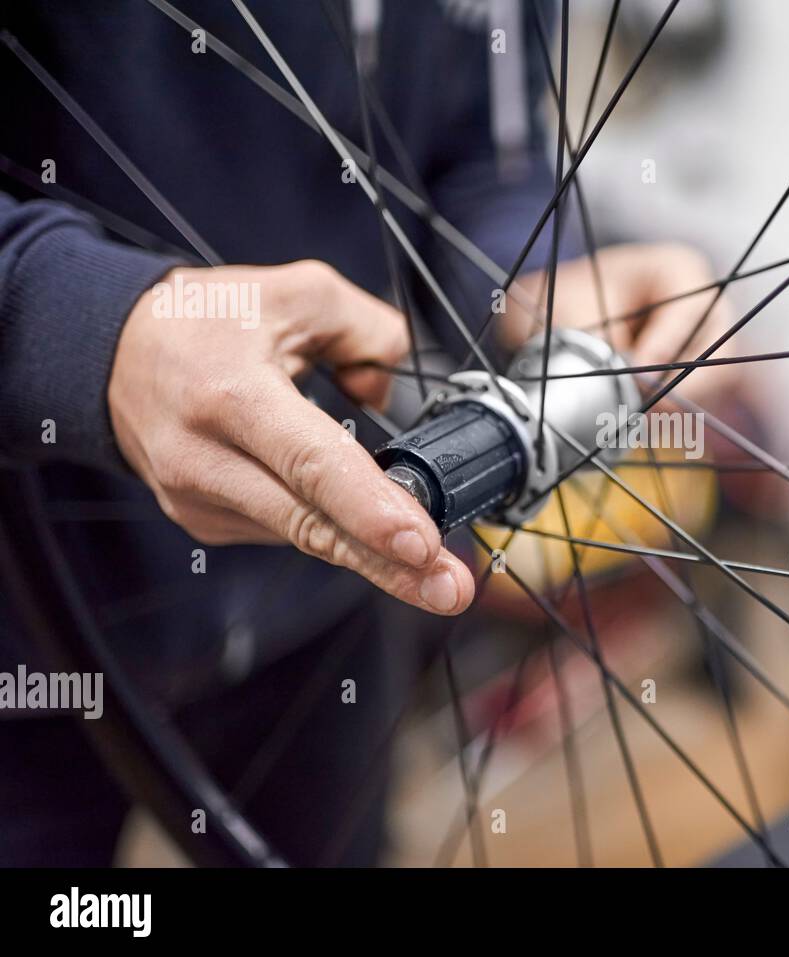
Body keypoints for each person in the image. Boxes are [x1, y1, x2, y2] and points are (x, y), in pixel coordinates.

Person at [0, 0, 731, 865]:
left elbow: (485, 157)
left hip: (334, 591)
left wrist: (541, 277)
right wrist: (86, 328)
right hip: (26, 621)